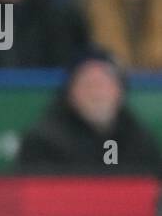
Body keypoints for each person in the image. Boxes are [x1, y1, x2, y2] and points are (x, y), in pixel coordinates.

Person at [17, 50, 162, 175]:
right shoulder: (44, 141)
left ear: (120, 92)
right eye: (88, 85)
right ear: (70, 92)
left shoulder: (138, 139)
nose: (96, 94)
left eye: (104, 85)